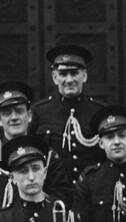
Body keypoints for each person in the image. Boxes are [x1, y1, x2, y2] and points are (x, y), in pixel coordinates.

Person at [30, 44, 108, 182]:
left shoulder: (100, 112)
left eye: (74, 73)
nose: (69, 80)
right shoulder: (39, 112)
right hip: (54, 192)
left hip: (91, 194)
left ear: (84, 76)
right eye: (63, 74)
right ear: (54, 77)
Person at [0, 80, 72, 201]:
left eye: (19, 111)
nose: (14, 117)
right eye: (7, 113)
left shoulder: (47, 154)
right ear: (0, 120)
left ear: (29, 115)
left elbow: (62, 196)